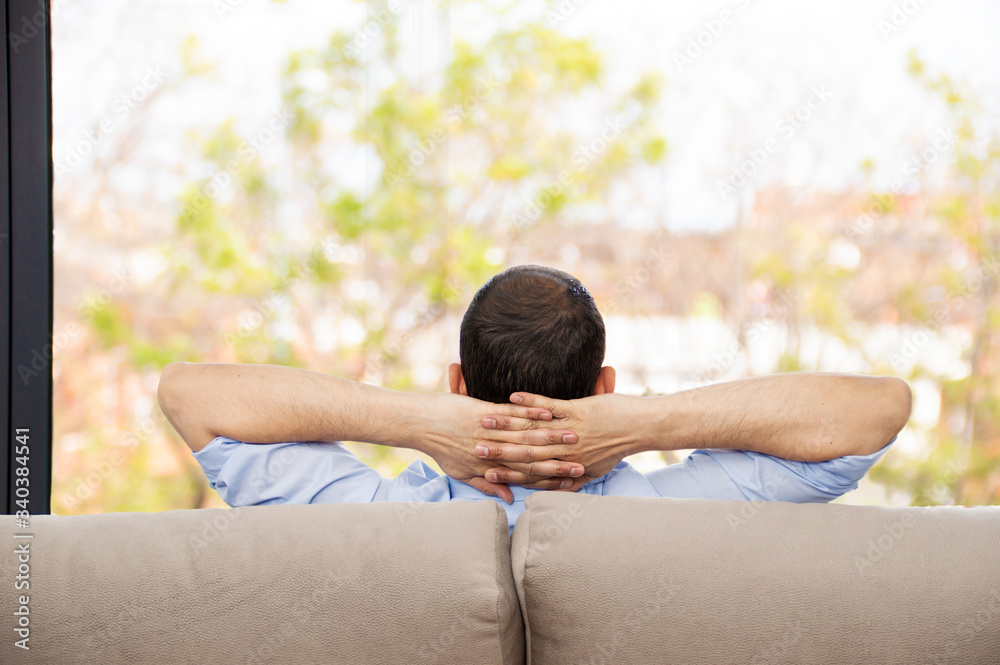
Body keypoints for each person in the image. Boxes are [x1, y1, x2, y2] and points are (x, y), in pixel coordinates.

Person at [158, 265, 912, 530]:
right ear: (604, 389)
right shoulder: (676, 518)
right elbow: (879, 410)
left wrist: (416, 422)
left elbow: (189, 392)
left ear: (455, 384)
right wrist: (645, 424)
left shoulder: (372, 523)